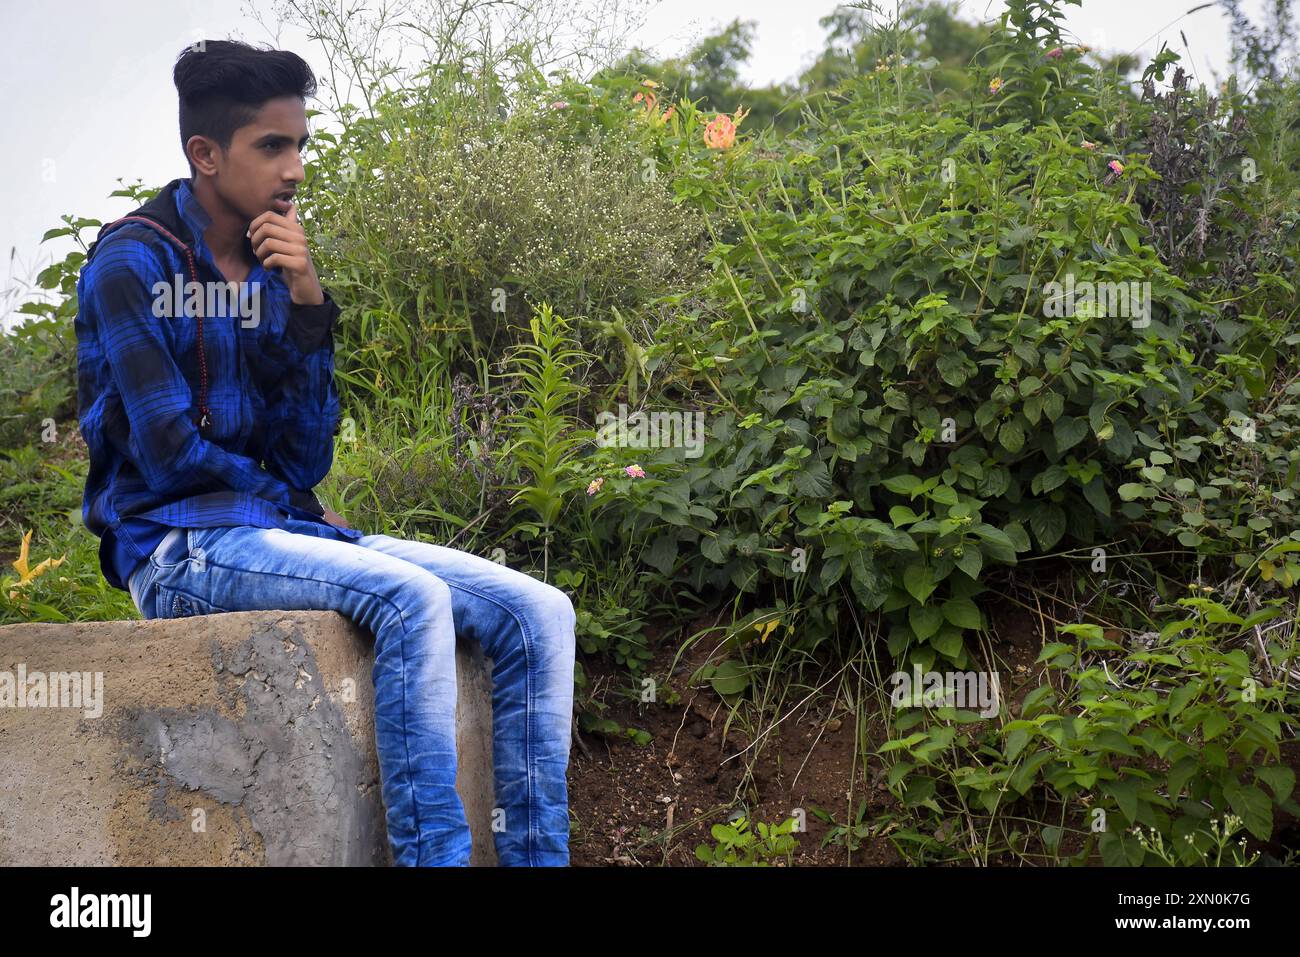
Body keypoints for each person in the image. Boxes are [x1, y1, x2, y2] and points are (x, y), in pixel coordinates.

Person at [74, 38, 577, 867]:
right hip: (178, 547)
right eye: (272, 145)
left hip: (270, 529)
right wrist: (289, 506)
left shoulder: (277, 264)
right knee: (412, 599)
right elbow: (169, 457)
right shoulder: (131, 263)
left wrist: (308, 304)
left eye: (300, 143)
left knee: (540, 613)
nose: (295, 167)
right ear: (205, 153)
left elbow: (302, 457)